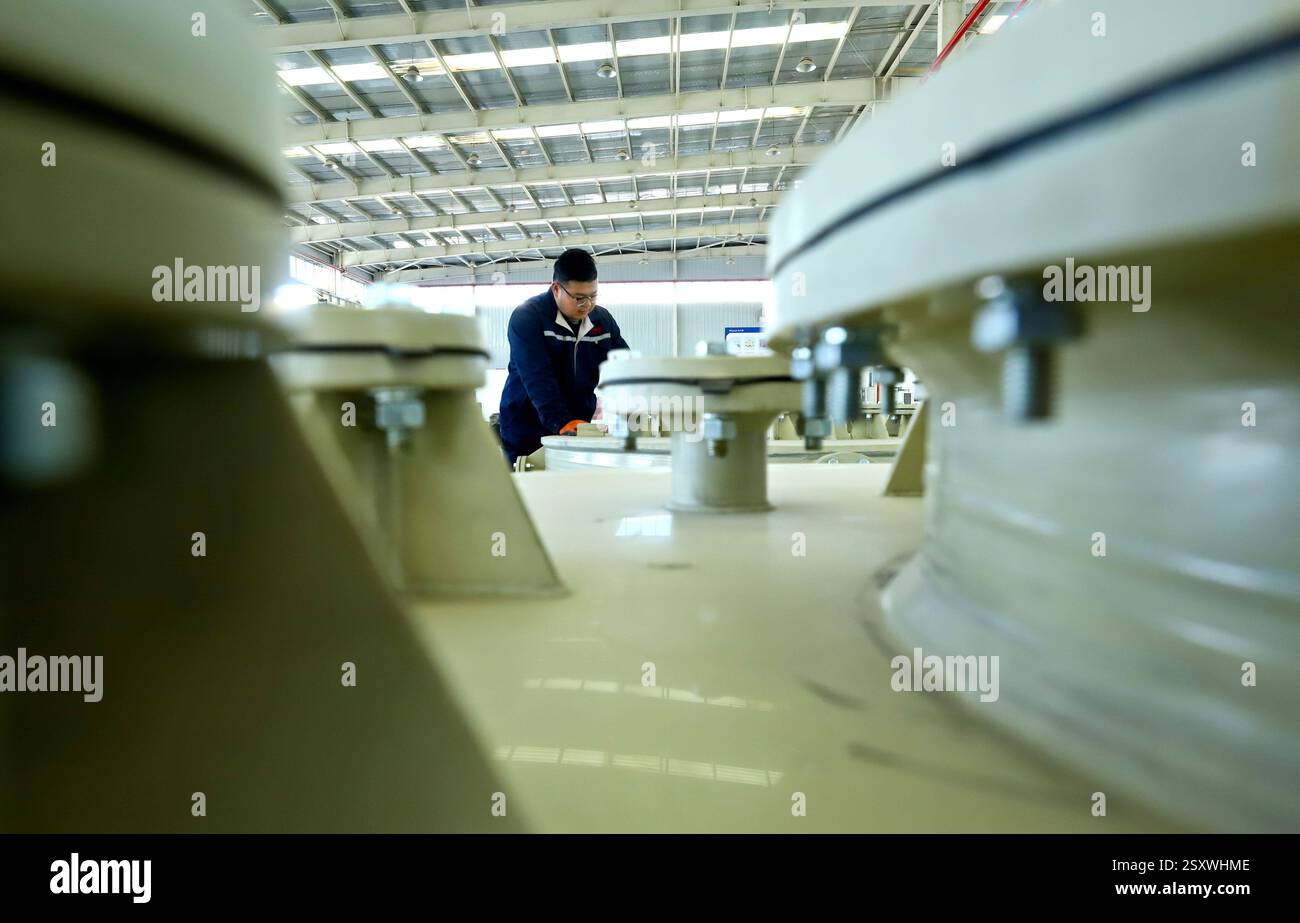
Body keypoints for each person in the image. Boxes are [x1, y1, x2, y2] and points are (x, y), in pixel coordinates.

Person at [498, 249, 629, 464]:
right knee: (528, 487)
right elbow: (537, 376)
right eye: (578, 298)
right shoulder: (528, 317)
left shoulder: (602, 321)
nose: (586, 304)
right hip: (527, 428)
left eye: (592, 296)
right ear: (556, 289)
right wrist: (561, 422)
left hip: (577, 427)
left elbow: (625, 365)